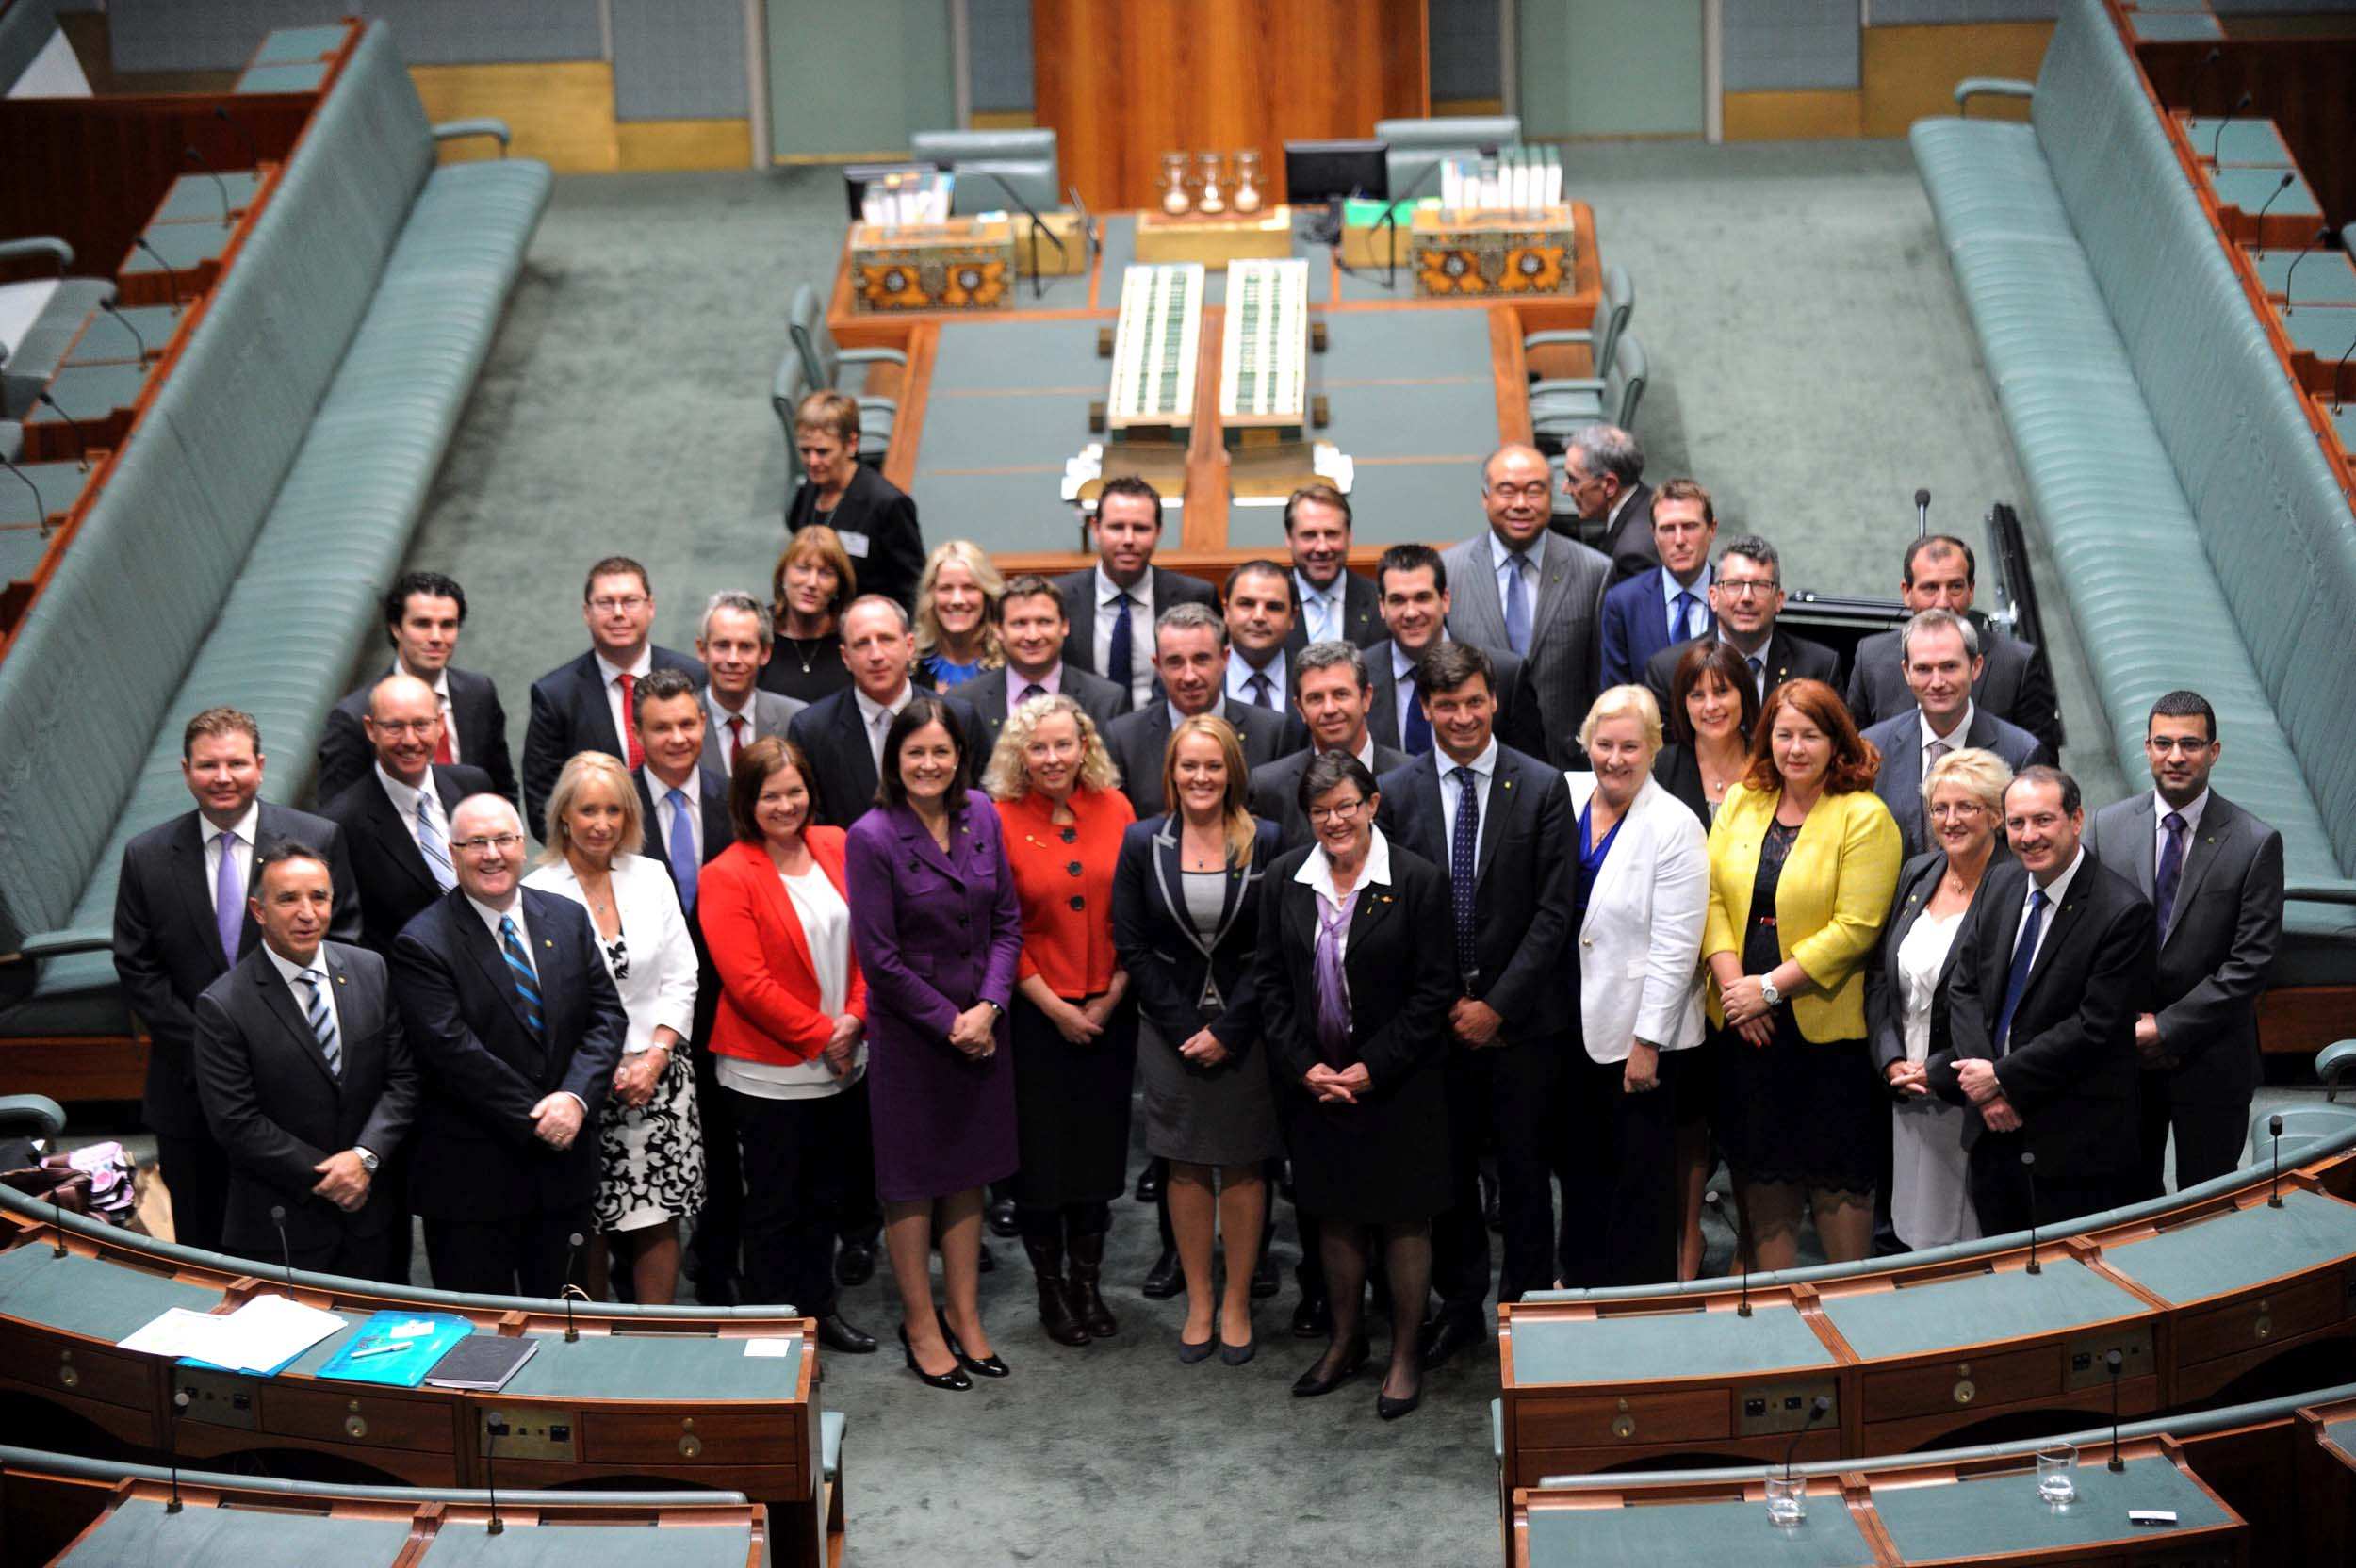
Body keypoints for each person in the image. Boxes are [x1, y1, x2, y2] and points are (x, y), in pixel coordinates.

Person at [1377, 641, 1576, 1364]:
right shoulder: (1395, 793)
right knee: (1450, 1178)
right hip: (1435, 1028)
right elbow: (1391, 911)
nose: (1462, 717)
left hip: (1522, 1027)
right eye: (1446, 705)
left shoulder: (1544, 784)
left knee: (1525, 1176)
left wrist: (1497, 1006)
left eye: (1473, 701)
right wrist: (1445, 1009)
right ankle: (1460, 1305)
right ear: (1424, 709)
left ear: (1493, 700)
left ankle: (1524, 1313)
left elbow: (1555, 912)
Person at [1255, 751, 1457, 1419]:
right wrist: (1304, 1066)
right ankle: (1345, 1343)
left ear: (1372, 804)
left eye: (1346, 805)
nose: (1334, 820)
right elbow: (1271, 985)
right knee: (1334, 1216)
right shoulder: (1286, 877)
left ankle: (1402, 1353)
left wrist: (1373, 1066)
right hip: (1318, 1087)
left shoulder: (1420, 882)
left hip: (1397, 1087)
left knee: (1402, 1219)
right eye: (1320, 811)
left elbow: (1433, 994)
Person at [113, 708, 360, 1253]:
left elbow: (343, 944)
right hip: (189, 1087)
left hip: (298, 1088)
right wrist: (214, 1048)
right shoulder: (147, 856)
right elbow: (138, 967)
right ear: (185, 771)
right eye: (208, 765)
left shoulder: (316, 838)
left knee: (304, 1248)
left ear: (261, 766)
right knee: (205, 1246)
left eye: (236, 763)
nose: (222, 777)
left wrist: (272, 1047)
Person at [843, 695, 1023, 1390]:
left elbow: (1008, 923)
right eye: (914, 752)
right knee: (913, 1187)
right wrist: (953, 1021)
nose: (928, 764)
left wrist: (990, 1006)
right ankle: (921, 1324)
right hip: (916, 1040)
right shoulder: (871, 835)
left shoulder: (982, 812)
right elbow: (879, 959)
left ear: (959, 758)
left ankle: (966, 1316)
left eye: (940, 752)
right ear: (895, 759)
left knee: (969, 1175)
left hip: (983, 1030)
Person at [393, 793, 629, 1296]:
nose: (492, 854)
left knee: (566, 1322)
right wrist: (543, 1116)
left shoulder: (566, 917)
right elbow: (453, 1052)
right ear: (453, 853)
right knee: (480, 1340)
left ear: (524, 846)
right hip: (474, 1181)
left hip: (564, 1174)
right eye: (476, 843)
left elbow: (606, 1016)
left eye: (503, 839)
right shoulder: (422, 942)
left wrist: (574, 1098)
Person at [1703, 679, 1902, 1268]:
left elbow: (1856, 928)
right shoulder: (1743, 799)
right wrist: (1737, 989)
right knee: (1763, 1179)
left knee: (1836, 1183)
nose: (1795, 748)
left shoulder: (1865, 816)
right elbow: (1710, 897)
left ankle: (1850, 1339)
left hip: (1822, 1041)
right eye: (1784, 734)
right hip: (1744, 1029)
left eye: (1809, 735)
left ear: (1836, 741)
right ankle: (1776, 1338)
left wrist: (1768, 989)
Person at [697, 736, 878, 1353]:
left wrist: (853, 1020)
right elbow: (747, 983)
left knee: (827, 1199)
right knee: (775, 1209)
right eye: (770, 795)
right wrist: (823, 1035)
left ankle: (820, 1309)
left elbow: (872, 944)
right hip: (768, 1074)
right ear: (747, 802)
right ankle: (774, 1332)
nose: (785, 805)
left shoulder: (838, 844)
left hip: (843, 1064)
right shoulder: (724, 875)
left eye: (794, 791)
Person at [1114, 715, 1284, 1364]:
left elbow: (1274, 946)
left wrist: (1230, 1028)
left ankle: (1237, 1301)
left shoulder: (1264, 841)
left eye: (1213, 765)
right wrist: (1188, 1027)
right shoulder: (1141, 842)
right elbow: (1131, 942)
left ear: (1232, 771)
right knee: (1183, 1165)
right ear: (1172, 772)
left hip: (1247, 1030)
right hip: (1170, 1030)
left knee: (1242, 1164)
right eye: (1189, 765)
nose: (1201, 777)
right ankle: (1201, 1300)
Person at [1926, 766, 2153, 1231]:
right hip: (1993, 1130)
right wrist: (1985, 1084)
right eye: (2016, 823)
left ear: (2076, 819)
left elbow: (2095, 1027)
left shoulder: (2123, 911)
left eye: (2043, 820)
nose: (2028, 836)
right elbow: (1964, 986)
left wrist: (2002, 1078)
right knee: (1998, 1274)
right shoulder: (2001, 883)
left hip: (2071, 1144)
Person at [2084, 691, 2283, 1195]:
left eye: (2190, 744)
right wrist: (2127, 1025)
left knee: (2207, 1207)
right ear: (2146, 748)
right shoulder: (2108, 827)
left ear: (2213, 752)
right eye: (2165, 743)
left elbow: (2250, 964)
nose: (2176, 757)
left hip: (2211, 1059)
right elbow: (2086, 937)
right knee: (2127, 1206)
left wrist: (2167, 1029)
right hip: (2123, 1056)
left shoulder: (2255, 841)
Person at [984, 694, 1137, 1347]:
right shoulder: (996, 818)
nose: (1052, 758)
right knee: (1044, 1170)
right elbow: (1002, 927)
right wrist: (1054, 1007)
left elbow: (1136, 915)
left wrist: (1105, 1002)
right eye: (1038, 747)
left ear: (1085, 747)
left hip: (1109, 1012)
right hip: (1035, 1019)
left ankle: (1088, 1285)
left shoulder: (1118, 809)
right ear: (1021, 754)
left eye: (1063, 745)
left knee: (1099, 1163)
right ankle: (1052, 1293)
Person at [524, 753, 705, 1304]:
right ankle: (600, 1344)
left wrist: (653, 1058)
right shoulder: (537, 889)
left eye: (613, 810)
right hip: (581, 1084)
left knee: (659, 1217)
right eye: (588, 810)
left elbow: (683, 974)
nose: (601, 823)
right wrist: (600, 1072)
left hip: (661, 1077)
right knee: (590, 1222)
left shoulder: (650, 876)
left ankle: (657, 1340)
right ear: (563, 818)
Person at [193, 841, 416, 1281]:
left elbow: (403, 1079)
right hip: (285, 1227)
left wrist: (365, 1158)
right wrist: (332, 1175)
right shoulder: (223, 1005)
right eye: (288, 899)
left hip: (374, 1219)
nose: (307, 912)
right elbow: (236, 1121)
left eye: (319, 897)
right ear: (258, 910)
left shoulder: (371, 969)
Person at [1560, 687, 1708, 1286]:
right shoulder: (1564, 796)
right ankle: (1580, 1291)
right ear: (1585, 743)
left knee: (1640, 1186)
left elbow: (1677, 948)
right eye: (1604, 744)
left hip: (1640, 1040)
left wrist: (1648, 1042)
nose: (1615, 759)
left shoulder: (1676, 825)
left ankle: (1635, 1311)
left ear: (1654, 749)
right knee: (1580, 1174)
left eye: (1630, 746)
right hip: (1572, 1024)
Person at [629, 666, 744, 1301]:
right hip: (647, 1015)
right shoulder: (615, 806)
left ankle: (718, 1261)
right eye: (660, 727)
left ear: (704, 723)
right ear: (638, 732)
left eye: (686, 723)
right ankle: (636, 1276)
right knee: (648, 1147)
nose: (676, 737)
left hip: (730, 1005)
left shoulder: (734, 793)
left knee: (725, 1145)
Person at [1867, 747, 2013, 1250]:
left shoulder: (2014, 888)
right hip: (1908, 1089)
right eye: (1940, 808)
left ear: (1996, 814)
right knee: (1913, 1225)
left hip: (1969, 1090)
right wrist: (1890, 1059)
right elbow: (1881, 977)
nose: (1950, 820)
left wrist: (1939, 1067)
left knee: (1972, 1235)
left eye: (1967, 807)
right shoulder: (1918, 873)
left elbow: (2003, 1008)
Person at [1443, 445, 1612, 767]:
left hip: (1566, 763)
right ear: (1485, 497)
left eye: (1534, 491)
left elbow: (1600, 681)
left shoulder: (1594, 571)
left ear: (1552, 496)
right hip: (1474, 758)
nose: (1521, 504)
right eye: (1507, 491)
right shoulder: (1450, 571)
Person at [522, 555, 705, 835]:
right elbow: (542, 804)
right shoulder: (555, 694)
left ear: (651, 607)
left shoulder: (695, 676)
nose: (619, 613)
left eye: (630, 601)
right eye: (606, 603)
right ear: (587, 612)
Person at [320, 674, 495, 956]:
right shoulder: (340, 824)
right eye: (394, 727)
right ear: (370, 729)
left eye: (421, 725)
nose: (410, 740)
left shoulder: (473, 785)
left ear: (439, 726)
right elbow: (349, 937)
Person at [1843, 534, 2063, 756]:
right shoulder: (1872, 658)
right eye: (1930, 588)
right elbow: (1852, 755)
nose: (1943, 602)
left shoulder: (2016, 663)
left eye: (1955, 587)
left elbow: (2041, 768)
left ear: (1971, 590)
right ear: (1907, 592)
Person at [316, 570, 516, 808]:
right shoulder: (353, 716)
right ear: (396, 629)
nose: (436, 637)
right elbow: (336, 815)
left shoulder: (478, 693)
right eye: (422, 624)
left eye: (447, 625)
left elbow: (500, 787)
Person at [787, 596, 988, 830]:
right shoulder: (811, 730)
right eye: (862, 643)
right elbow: (812, 825)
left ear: (909, 646)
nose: (876, 655)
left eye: (886, 639)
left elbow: (977, 811)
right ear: (845, 657)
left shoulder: (960, 718)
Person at [1863, 610, 2048, 859]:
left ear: (1976, 667)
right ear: (1906, 672)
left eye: (1949, 667)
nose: (1937, 682)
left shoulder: (2021, 752)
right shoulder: (1872, 747)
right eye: (1924, 669)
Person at [1103, 603, 1300, 819]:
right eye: (1175, 662)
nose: (1189, 676)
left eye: (1201, 659)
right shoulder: (1124, 738)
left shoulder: (1272, 731)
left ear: (1225, 659)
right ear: (1157, 666)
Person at [1362, 543, 1546, 759]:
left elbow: (1532, 774)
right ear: (1382, 606)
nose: (1410, 612)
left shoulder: (1505, 673)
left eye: (1422, 598)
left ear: (1445, 600)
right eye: (1398, 600)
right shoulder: (1361, 674)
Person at [1053, 476, 1216, 710]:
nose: (1128, 540)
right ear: (1096, 529)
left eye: (1140, 528)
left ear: (1158, 532)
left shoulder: (1195, 596)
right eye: (1117, 527)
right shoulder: (1061, 597)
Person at [1643, 535, 1838, 712]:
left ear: (1779, 600)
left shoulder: (1818, 667)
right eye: (1734, 585)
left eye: (1760, 585)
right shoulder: (1670, 670)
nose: (1746, 598)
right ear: (1713, 597)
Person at [1250, 642, 1410, 848]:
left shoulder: (1408, 777)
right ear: (1300, 708)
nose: (1329, 709)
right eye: (1316, 698)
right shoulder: (1269, 787)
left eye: (1341, 694)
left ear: (1366, 698)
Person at [958, 572, 1130, 756]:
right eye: (1019, 623)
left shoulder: (1106, 700)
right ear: (998, 630)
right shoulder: (967, 701)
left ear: (1064, 626)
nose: (1033, 636)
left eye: (1044, 622)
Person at [786, 389, 924, 613]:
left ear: (851, 444)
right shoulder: (808, 490)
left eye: (822, 452)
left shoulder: (888, 504)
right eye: (805, 451)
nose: (812, 461)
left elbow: (912, 588)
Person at [1598, 477, 1716, 688]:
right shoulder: (1624, 604)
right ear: (1653, 534)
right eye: (1668, 529)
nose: (1679, 540)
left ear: (1712, 529)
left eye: (1689, 526)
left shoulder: (1735, 595)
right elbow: (1616, 695)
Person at [1653, 640, 1760, 829]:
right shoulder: (1660, 767)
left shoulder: (1766, 763)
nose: (1710, 706)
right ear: (1683, 703)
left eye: (1722, 691)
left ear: (1743, 694)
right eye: (1697, 695)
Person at [697, 591, 805, 778]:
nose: (733, 659)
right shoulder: (680, 723)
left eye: (746, 647)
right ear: (702, 650)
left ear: (765, 653)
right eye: (722, 645)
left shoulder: (797, 720)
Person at [760, 526, 859, 705]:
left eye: (825, 573)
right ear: (783, 575)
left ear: (839, 584)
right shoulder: (758, 631)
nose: (812, 583)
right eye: (803, 569)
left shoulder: (852, 637)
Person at [1283, 484, 1382, 650]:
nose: (1322, 548)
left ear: (1349, 537)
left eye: (1331, 534)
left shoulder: (1378, 602)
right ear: (1289, 539)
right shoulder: (1268, 604)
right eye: (1309, 535)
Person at [1554, 424, 1657, 584]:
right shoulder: (1648, 499)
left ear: (1609, 485)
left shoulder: (1631, 557)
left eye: (1573, 480)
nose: (1565, 489)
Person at [912, 539, 1004, 690]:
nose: (957, 600)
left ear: (986, 596)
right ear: (931, 596)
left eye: (969, 587)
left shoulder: (1010, 665)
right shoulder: (912, 665)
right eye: (946, 588)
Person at [1223, 560, 1297, 712]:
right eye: (1247, 604)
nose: (1259, 617)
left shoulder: (1310, 677)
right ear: (1226, 611)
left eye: (1273, 607)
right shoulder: (1201, 678)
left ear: (1292, 618)